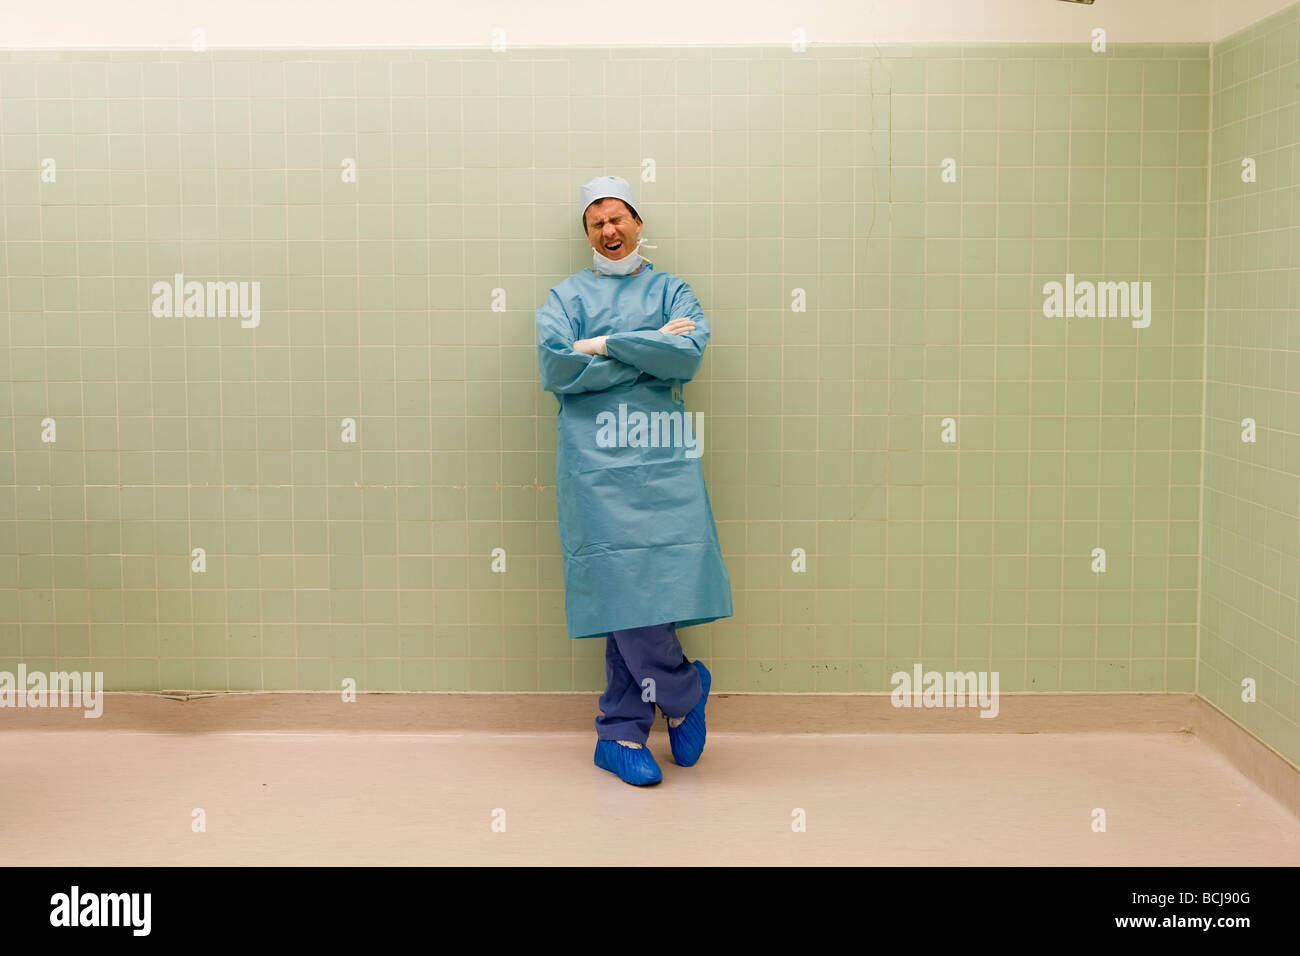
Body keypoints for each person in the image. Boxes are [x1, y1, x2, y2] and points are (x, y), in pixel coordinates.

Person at [535, 175, 734, 786]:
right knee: (621, 580)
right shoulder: (564, 297)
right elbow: (556, 366)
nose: (608, 230)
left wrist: (600, 346)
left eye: (617, 218)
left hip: (660, 457)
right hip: (594, 466)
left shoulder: (673, 289)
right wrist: (643, 349)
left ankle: (620, 731)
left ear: (638, 222)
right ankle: (679, 689)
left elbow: (687, 355)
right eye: (596, 223)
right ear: (587, 233)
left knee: (655, 582)